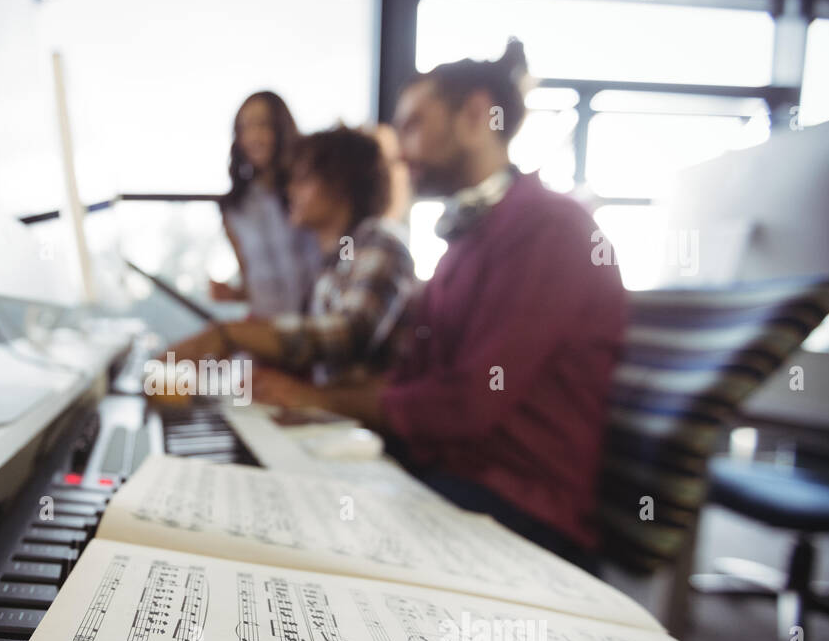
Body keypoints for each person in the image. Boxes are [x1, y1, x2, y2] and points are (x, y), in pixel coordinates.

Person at [252, 39, 627, 571]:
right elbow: (411, 382)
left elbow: (469, 403)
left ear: (476, 115)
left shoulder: (550, 229)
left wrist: (319, 397)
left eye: (413, 124)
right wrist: (312, 399)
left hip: (520, 512)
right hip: (454, 484)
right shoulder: (469, 240)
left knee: (303, 548)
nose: (402, 150)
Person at [169, 124, 414, 385]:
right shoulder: (344, 251)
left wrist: (231, 335)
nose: (291, 190)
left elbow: (351, 334)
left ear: (341, 182)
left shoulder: (378, 240)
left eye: (303, 179)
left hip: (364, 423)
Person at [213, 92, 323, 317]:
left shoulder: (312, 192)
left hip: (315, 328)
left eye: (263, 125)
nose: (254, 137)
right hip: (268, 333)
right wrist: (233, 293)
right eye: (245, 128)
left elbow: (344, 247)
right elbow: (252, 281)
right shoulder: (234, 209)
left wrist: (349, 257)